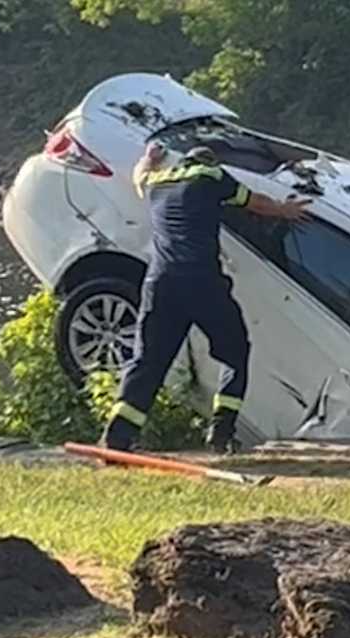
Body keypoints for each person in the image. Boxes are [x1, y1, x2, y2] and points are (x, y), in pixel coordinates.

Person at [100, 143, 310, 453]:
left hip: (161, 285)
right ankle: (221, 432)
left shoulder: (158, 182)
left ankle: (117, 437)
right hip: (202, 283)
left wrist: (148, 158)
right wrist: (285, 209)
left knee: (148, 361)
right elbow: (255, 204)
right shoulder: (211, 176)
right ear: (208, 161)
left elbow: (139, 176)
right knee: (235, 352)